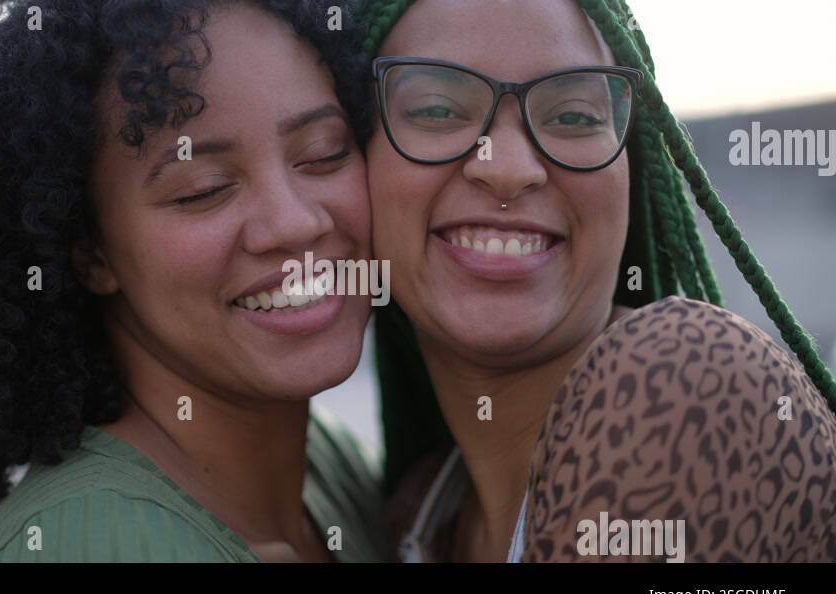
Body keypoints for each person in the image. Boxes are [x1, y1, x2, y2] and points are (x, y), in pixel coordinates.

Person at [0, 0, 389, 562]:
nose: (296, 221)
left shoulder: (329, 465)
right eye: (203, 189)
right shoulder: (90, 547)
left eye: (324, 153)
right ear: (91, 253)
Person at [355, 0, 836, 561]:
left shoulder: (681, 385)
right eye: (437, 110)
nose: (508, 166)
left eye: (574, 116)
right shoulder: (423, 512)